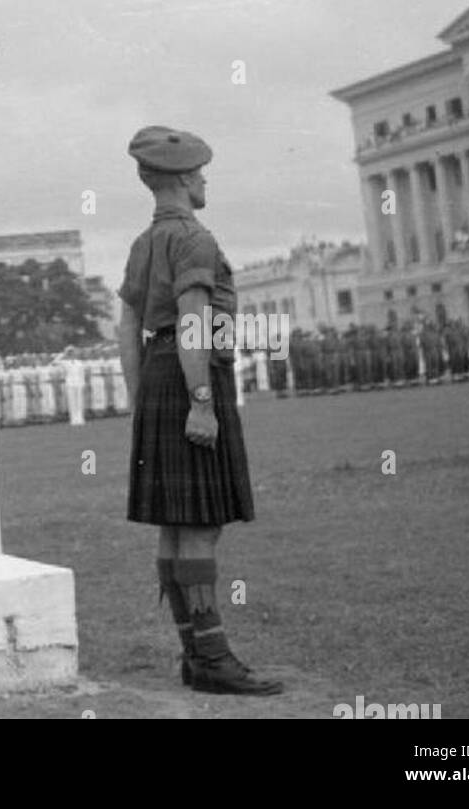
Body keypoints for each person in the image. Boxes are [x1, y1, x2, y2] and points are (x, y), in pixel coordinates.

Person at [117, 126, 282, 696]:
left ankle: (194, 653)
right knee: (200, 525)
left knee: (173, 523)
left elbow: (126, 325)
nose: (205, 179)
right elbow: (193, 322)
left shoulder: (143, 242)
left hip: (158, 374)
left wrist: (140, 400)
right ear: (185, 178)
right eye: (201, 172)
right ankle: (211, 658)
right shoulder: (194, 238)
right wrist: (202, 403)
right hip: (194, 373)